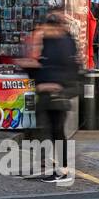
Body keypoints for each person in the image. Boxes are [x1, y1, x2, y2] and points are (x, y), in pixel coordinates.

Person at [20, 9, 80, 183]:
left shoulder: (64, 42)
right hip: (45, 92)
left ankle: (62, 170)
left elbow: (68, 68)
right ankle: (47, 164)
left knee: (56, 130)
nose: (42, 30)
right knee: (43, 129)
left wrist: (55, 84)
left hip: (57, 93)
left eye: (45, 27)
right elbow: (41, 64)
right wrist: (30, 67)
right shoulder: (49, 40)